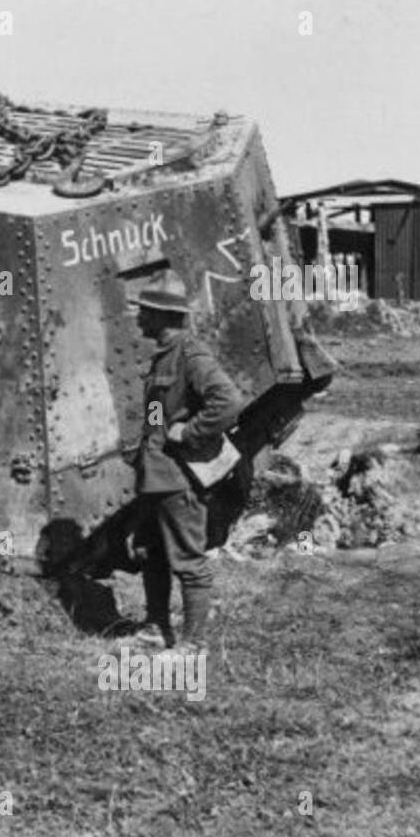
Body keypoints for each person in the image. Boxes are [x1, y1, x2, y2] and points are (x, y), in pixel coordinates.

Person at [128, 270, 242, 649]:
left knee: (189, 562)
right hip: (157, 474)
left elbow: (228, 401)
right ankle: (155, 627)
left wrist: (189, 433)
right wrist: (152, 435)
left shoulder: (191, 355)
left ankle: (193, 645)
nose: (139, 317)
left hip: (178, 478)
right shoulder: (164, 357)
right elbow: (162, 409)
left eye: (145, 311)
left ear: (163, 316)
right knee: (152, 552)